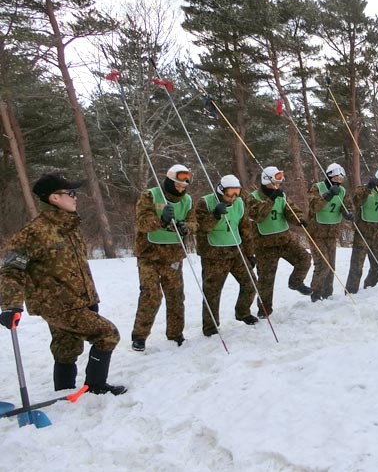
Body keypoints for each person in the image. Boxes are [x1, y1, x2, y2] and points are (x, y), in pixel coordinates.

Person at [0, 172, 126, 395]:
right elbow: (11, 270)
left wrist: (90, 299)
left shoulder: (69, 226)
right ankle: (96, 387)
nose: (75, 197)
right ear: (53, 198)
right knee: (107, 334)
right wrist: (11, 305)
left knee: (66, 348)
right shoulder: (34, 232)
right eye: (70, 193)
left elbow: (75, 266)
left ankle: (63, 392)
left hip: (77, 300)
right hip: (57, 304)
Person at [131, 164, 197, 352]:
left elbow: (194, 222)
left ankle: (175, 333)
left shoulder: (188, 200)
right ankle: (139, 336)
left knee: (176, 296)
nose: (181, 188)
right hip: (149, 255)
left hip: (173, 255)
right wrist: (161, 220)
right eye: (177, 184)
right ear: (169, 182)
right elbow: (142, 222)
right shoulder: (150, 196)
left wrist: (187, 228)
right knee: (151, 295)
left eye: (184, 186)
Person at [195, 174, 258, 337]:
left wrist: (249, 253)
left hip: (236, 251)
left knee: (251, 282)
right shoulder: (205, 202)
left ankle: (242, 312)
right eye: (230, 193)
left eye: (237, 192)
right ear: (220, 190)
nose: (233, 197)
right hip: (213, 254)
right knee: (212, 291)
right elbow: (201, 228)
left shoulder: (239, 203)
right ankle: (210, 327)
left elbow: (245, 229)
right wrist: (215, 215)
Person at [245, 166, 312, 318]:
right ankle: (264, 310)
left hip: (284, 240)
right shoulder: (253, 197)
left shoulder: (281, 195)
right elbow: (257, 215)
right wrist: (271, 200)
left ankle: (296, 282)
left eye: (279, 182)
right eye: (275, 182)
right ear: (266, 181)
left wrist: (299, 219)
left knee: (304, 258)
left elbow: (291, 210)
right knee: (266, 280)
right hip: (264, 245)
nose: (278, 185)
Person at [345, 165, 378, 294]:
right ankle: (351, 291)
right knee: (357, 265)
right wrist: (368, 188)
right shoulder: (364, 189)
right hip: (363, 233)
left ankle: (369, 287)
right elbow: (356, 201)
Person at [307, 163, 353, 302]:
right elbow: (314, 207)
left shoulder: (342, 191)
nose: (339, 179)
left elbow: (347, 206)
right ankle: (316, 294)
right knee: (323, 264)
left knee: (331, 265)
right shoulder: (317, 187)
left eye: (341, 177)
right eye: (336, 176)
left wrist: (349, 214)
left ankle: (327, 294)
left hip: (332, 233)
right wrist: (327, 195)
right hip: (316, 232)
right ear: (329, 175)